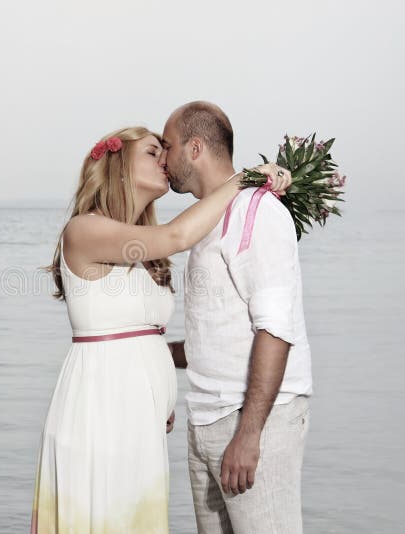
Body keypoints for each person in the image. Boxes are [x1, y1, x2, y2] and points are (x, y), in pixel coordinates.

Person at [29, 125, 291, 534]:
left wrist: (156, 384)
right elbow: (178, 235)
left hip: (139, 417)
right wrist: (243, 179)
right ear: (118, 166)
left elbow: (142, 337)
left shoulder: (140, 254)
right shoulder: (85, 230)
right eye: (153, 152)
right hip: (101, 409)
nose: (165, 161)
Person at [162, 101, 313, 534]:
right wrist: (146, 352)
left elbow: (276, 329)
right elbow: (213, 340)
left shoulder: (258, 212)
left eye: (168, 146)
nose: (164, 159)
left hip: (253, 420)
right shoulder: (207, 221)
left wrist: (249, 435)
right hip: (206, 419)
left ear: (194, 149)